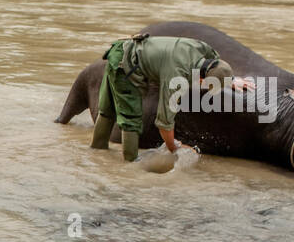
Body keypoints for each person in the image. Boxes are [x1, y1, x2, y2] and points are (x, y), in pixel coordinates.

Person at [91, 33, 249, 161]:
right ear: (202, 79)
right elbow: (164, 122)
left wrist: (230, 80)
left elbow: (218, 66)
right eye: (207, 85)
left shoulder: (202, 48)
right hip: (124, 66)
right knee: (131, 118)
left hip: (122, 48)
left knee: (108, 108)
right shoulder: (177, 77)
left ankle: (97, 152)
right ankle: (130, 162)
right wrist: (174, 146)